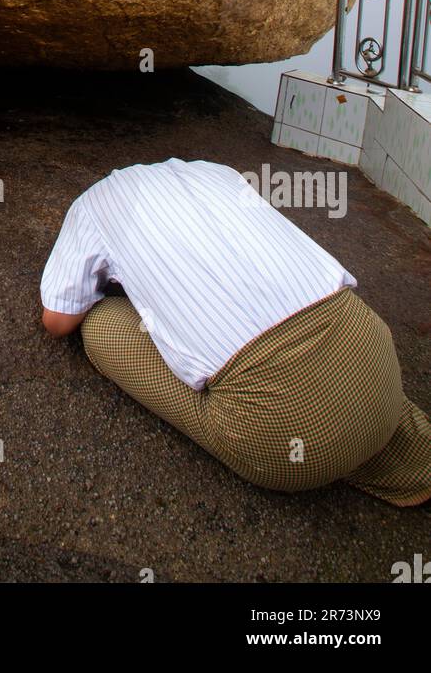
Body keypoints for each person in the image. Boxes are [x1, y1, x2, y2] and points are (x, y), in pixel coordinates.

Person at [40, 157, 431, 506]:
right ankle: (399, 451)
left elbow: (58, 321)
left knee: (98, 324)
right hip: (374, 355)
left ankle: (336, 442)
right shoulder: (214, 172)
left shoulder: (89, 208)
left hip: (285, 438)